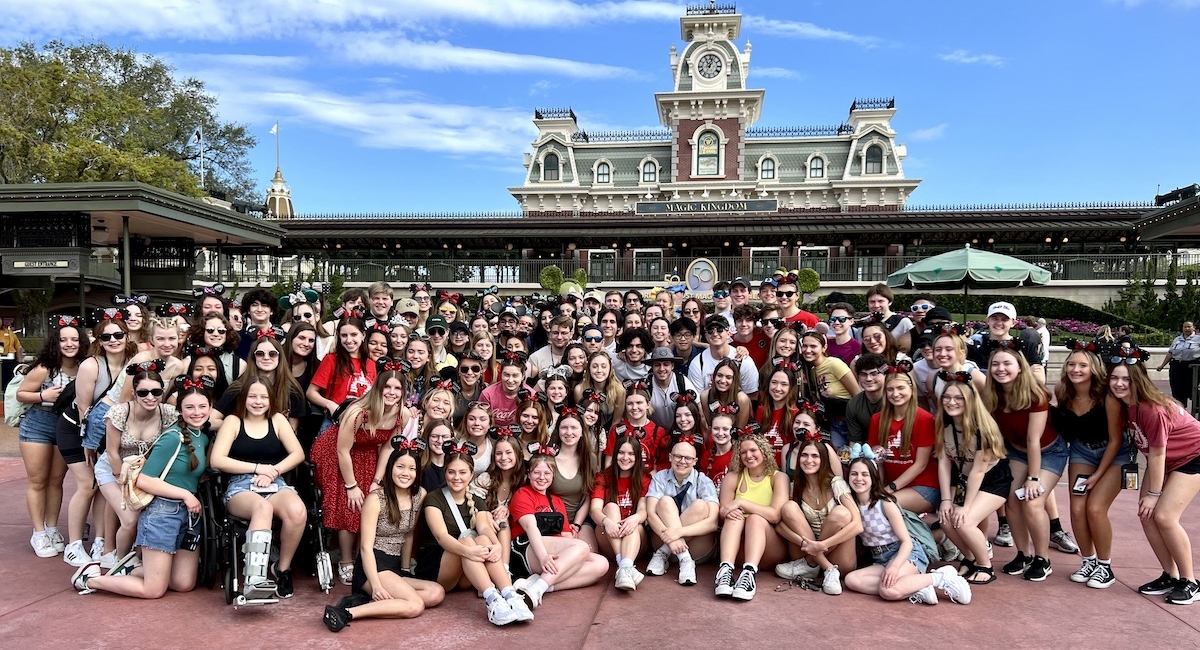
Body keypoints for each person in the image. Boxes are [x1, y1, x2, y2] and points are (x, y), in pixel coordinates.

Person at [70, 381, 213, 598]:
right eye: (190, 407)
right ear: (180, 411)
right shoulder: (172, 438)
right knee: (153, 590)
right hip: (163, 513)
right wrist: (185, 494)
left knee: (183, 583)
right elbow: (145, 480)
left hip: (188, 515)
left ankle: (130, 569)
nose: (197, 412)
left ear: (210, 408)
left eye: (202, 406)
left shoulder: (201, 436)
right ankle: (90, 579)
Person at [322, 440, 446, 632]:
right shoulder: (375, 499)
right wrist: (376, 585)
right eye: (400, 467)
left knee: (436, 593)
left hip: (393, 566)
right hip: (373, 564)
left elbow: (409, 535)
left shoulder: (419, 495)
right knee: (415, 605)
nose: (406, 473)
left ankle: (371, 602)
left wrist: (404, 569)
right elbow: (365, 547)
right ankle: (346, 612)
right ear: (390, 468)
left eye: (412, 468)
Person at [1109, 348, 1200, 604]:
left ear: (1138, 380)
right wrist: (1148, 498)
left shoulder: (1152, 409)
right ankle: (1170, 575)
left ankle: (1190, 581)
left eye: (1126, 379)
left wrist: (1154, 494)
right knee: (1146, 515)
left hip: (1194, 456)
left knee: (1164, 516)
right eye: (1114, 378)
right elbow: (1153, 454)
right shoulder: (1128, 405)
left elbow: (1158, 455)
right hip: (1166, 459)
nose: (1119, 383)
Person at [311, 360, 410, 586]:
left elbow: (387, 446)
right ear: (378, 388)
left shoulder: (401, 415)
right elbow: (342, 450)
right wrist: (351, 486)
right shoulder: (358, 412)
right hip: (336, 453)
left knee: (370, 502)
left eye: (397, 388)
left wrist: (377, 479)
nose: (392, 392)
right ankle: (345, 561)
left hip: (367, 453)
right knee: (351, 504)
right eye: (387, 387)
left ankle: (361, 558)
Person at [209, 377, 308, 599]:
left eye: (263, 396)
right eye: (253, 396)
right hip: (241, 485)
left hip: (274, 481)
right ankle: (255, 579)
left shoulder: (278, 421)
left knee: (297, 510)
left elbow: (298, 454)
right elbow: (217, 460)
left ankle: (282, 569)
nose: (258, 401)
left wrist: (272, 471)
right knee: (262, 508)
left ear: (271, 399)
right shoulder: (233, 421)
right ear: (244, 398)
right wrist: (258, 469)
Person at [415, 441, 534, 625]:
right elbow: (442, 537)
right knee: (468, 542)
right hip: (439, 565)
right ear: (445, 473)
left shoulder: (477, 500)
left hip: (467, 570)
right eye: (451, 472)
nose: (457, 477)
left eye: (463, 472)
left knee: (484, 537)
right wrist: (469, 551)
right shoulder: (434, 498)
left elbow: (485, 527)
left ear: (471, 475)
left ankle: (510, 596)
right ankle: (493, 601)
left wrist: (496, 545)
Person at [62, 310, 138, 568]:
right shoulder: (91, 365)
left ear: (127, 336)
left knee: (106, 488)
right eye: (107, 337)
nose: (113, 340)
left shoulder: (133, 362)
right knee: (87, 485)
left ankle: (100, 539)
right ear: (99, 340)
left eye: (118, 335)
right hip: (78, 430)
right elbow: (85, 410)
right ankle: (73, 545)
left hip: (109, 431)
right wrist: (90, 443)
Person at [843, 456, 972, 605]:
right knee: (852, 580)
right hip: (881, 558)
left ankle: (941, 577)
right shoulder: (852, 505)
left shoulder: (885, 503)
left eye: (865, 474)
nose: (859, 478)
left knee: (888, 591)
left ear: (873, 477)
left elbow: (907, 542)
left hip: (906, 553)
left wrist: (895, 566)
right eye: (854, 474)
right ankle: (916, 587)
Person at [984, 346, 1064, 582]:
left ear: (1020, 368)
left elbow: (1033, 440)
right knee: (1010, 499)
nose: (1001, 369)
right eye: (996, 364)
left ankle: (1043, 559)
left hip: (1048, 451)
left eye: (1007, 364)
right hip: (1017, 452)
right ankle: (1023, 554)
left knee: (1032, 501)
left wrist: (1034, 478)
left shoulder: (1035, 394)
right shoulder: (992, 395)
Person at [1052, 341, 1126, 589]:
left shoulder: (1108, 397)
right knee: (1076, 508)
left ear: (1093, 368)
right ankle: (1088, 561)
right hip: (1082, 452)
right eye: (1072, 364)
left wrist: (1098, 475)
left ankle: (1105, 566)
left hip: (1114, 454)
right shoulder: (1062, 392)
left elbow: (1116, 440)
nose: (1076, 369)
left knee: (1095, 508)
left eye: (1083, 365)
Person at [95, 365, 178, 565]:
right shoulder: (119, 412)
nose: (150, 397)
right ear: (134, 393)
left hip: (145, 472)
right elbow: (112, 452)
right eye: (143, 392)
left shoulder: (168, 412)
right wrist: (125, 482)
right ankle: (121, 561)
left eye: (156, 392)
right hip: (114, 470)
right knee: (130, 519)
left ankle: (132, 556)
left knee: (145, 516)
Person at [17, 315, 85, 558]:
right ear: (55, 342)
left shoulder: (85, 367)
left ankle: (52, 527)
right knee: (38, 481)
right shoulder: (45, 368)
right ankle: (38, 532)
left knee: (57, 480)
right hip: (38, 424)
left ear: (81, 341)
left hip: (67, 426)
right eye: (63, 339)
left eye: (74, 339)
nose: (69, 344)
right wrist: (42, 397)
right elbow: (21, 394)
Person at [509, 449, 610, 608]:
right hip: (526, 548)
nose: (542, 477)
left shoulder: (557, 501)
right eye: (537, 473)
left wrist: (579, 555)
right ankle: (538, 589)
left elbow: (565, 535)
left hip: (553, 550)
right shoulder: (523, 494)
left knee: (601, 564)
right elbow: (530, 527)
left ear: (553, 476)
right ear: (529, 474)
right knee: (582, 546)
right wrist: (543, 556)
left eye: (547, 473)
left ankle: (540, 586)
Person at [935, 375, 1010, 585]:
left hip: (992, 480)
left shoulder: (983, 429)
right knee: (946, 521)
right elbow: (943, 463)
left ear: (970, 400)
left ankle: (985, 565)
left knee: (965, 522)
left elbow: (978, 472)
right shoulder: (944, 424)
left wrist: (966, 506)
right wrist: (946, 500)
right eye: (947, 397)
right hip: (963, 479)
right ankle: (969, 558)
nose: (951, 402)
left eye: (959, 398)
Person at [774, 437, 862, 594]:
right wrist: (805, 543)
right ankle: (827, 568)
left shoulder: (836, 483)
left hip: (838, 554)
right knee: (788, 507)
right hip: (803, 549)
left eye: (815, 456)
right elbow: (778, 524)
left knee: (842, 513)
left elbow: (857, 525)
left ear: (823, 460)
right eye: (804, 455)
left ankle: (813, 564)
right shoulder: (794, 487)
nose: (809, 460)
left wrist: (821, 546)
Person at [714, 434, 789, 601]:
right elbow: (723, 511)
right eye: (743, 452)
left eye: (753, 450)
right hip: (738, 549)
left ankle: (749, 574)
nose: (748, 456)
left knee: (755, 518)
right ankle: (725, 571)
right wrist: (730, 510)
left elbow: (775, 515)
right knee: (734, 517)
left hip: (770, 548)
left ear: (764, 451)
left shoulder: (778, 478)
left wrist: (742, 502)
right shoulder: (733, 477)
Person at [870, 363, 940, 515]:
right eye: (890, 389)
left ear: (911, 389)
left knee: (882, 507)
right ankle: (936, 536)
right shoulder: (877, 420)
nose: (895, 394)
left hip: (923, 486)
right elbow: (878, 462)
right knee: (868, 504)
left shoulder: (925, 419)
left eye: (900, 388)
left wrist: (891, 489)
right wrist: (879, 488)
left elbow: (920, 465)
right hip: (894, 486)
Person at [591, 436, 651, 590]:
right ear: (615, 453)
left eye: (631, 454)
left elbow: (644, 510)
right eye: (621, 453)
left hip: (635, 541)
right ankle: (626, 566)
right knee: (611, 507)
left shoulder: (643, 478)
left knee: (633, 524)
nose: (625, 458)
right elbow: (595, 510)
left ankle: (624, 566)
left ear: (637, 456)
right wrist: (607, 521)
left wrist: (635, 518)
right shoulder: (604, 476)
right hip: (608, 535)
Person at [307, 316, 376, 436]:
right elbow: (311, 392)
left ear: (363, 335)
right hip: (335, 422)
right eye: (344, 335)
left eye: (354, 334)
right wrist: (330, 404)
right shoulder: (331, 359)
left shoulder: (371, 364)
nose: (349, 340)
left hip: (363, 425)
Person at [550, 409, 599, 551]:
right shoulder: (549, 459)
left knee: (590, 555)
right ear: (558, 431)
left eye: (574, 428)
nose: (569, 432)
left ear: (582, 431)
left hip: (581, 520)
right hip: (553, 520)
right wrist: (565, 528)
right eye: (564, 427)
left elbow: (588, 495)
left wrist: (576, 525)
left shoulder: (590, 459)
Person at [688, 316, 759, 400]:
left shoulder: (743, 360)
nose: (715, 334)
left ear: (728, 333)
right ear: (706, 336)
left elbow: (752, 396)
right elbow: (698, 400)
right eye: (710, 331)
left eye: (720, 330)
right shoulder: (697, 363)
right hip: (708, 410)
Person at [846, 353, 888, 447]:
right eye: (863, 374)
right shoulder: (853, 404)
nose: (869, 379)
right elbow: (855, 441)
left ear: (885, 375)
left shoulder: (894, 399)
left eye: (874, 374)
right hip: (866, 450)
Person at [1157, 321, 1200, 406]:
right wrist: (1162, 365)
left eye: (1189, 327)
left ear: (1194, 328)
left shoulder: (1198, 339)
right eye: (1185, 327)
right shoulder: (1177, 339)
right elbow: (1170, 353)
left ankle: (1196, 410)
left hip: (1191, 367)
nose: (1187, 329)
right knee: (1177, 390)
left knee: (1192, 390)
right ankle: (1180, 410)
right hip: (1177, 366)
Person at [865, 284, 914, 352]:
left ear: (890, 302)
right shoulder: (864, 323)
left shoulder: (903, 322)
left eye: (880, 301)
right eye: (872, 302)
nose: (876, 305)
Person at [825, 302, 861, 366]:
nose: (836, 322)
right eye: (833, 319)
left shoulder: (857, 349)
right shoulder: (825, 344)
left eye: (842, 319)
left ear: (851, 321)